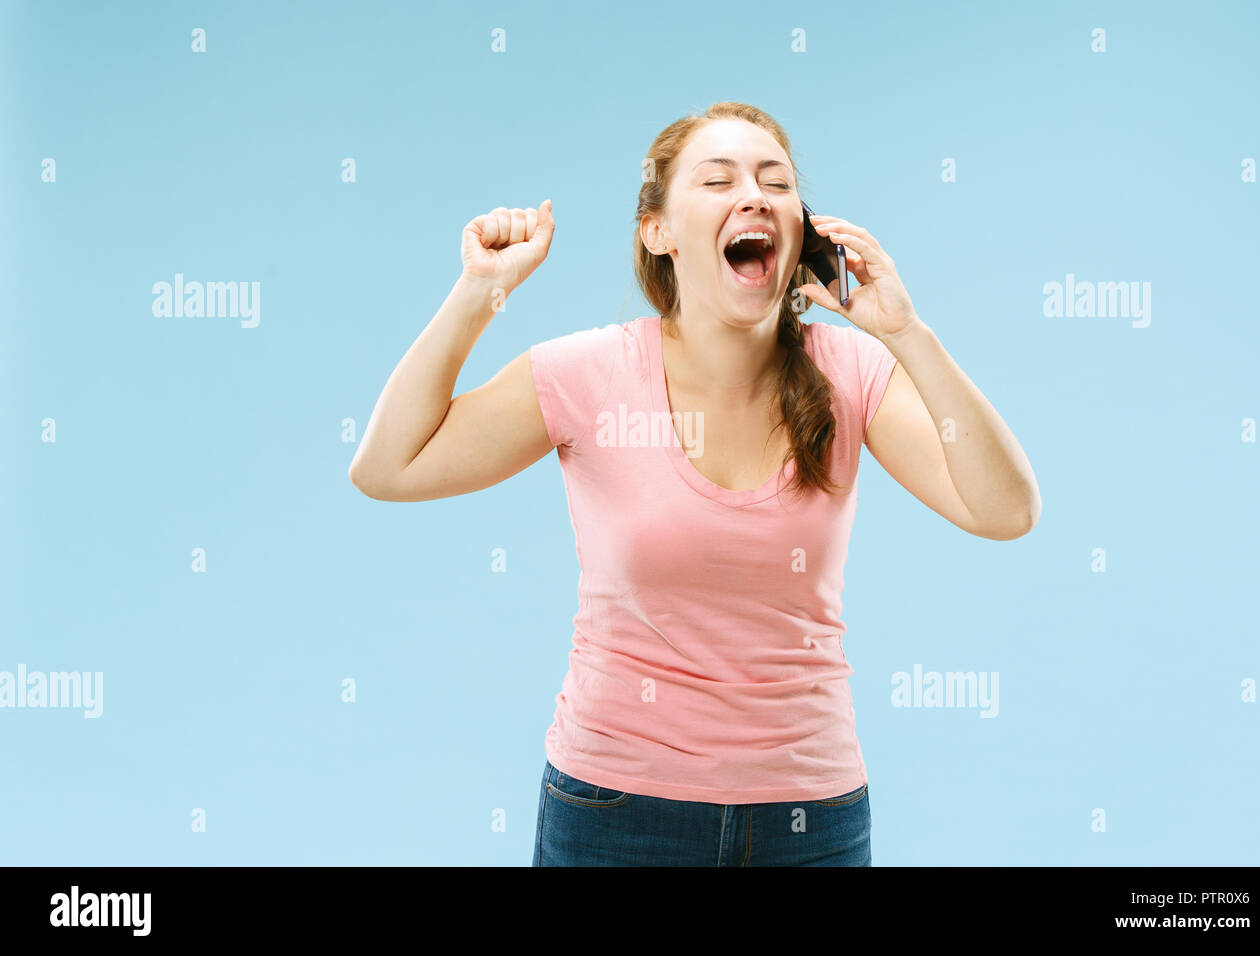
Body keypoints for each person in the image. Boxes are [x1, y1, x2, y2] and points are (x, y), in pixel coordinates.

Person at [348, 101, 1041, 866]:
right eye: (718, 181)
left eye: (774, 181)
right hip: (614, 814)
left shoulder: (851, 373)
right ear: (659, 232)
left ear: (800, 228)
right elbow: (389, 466)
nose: (753, 195)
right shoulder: (589, 374)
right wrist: (482, 289)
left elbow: (1006, 509)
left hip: (810, 820)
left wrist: (906, 333)